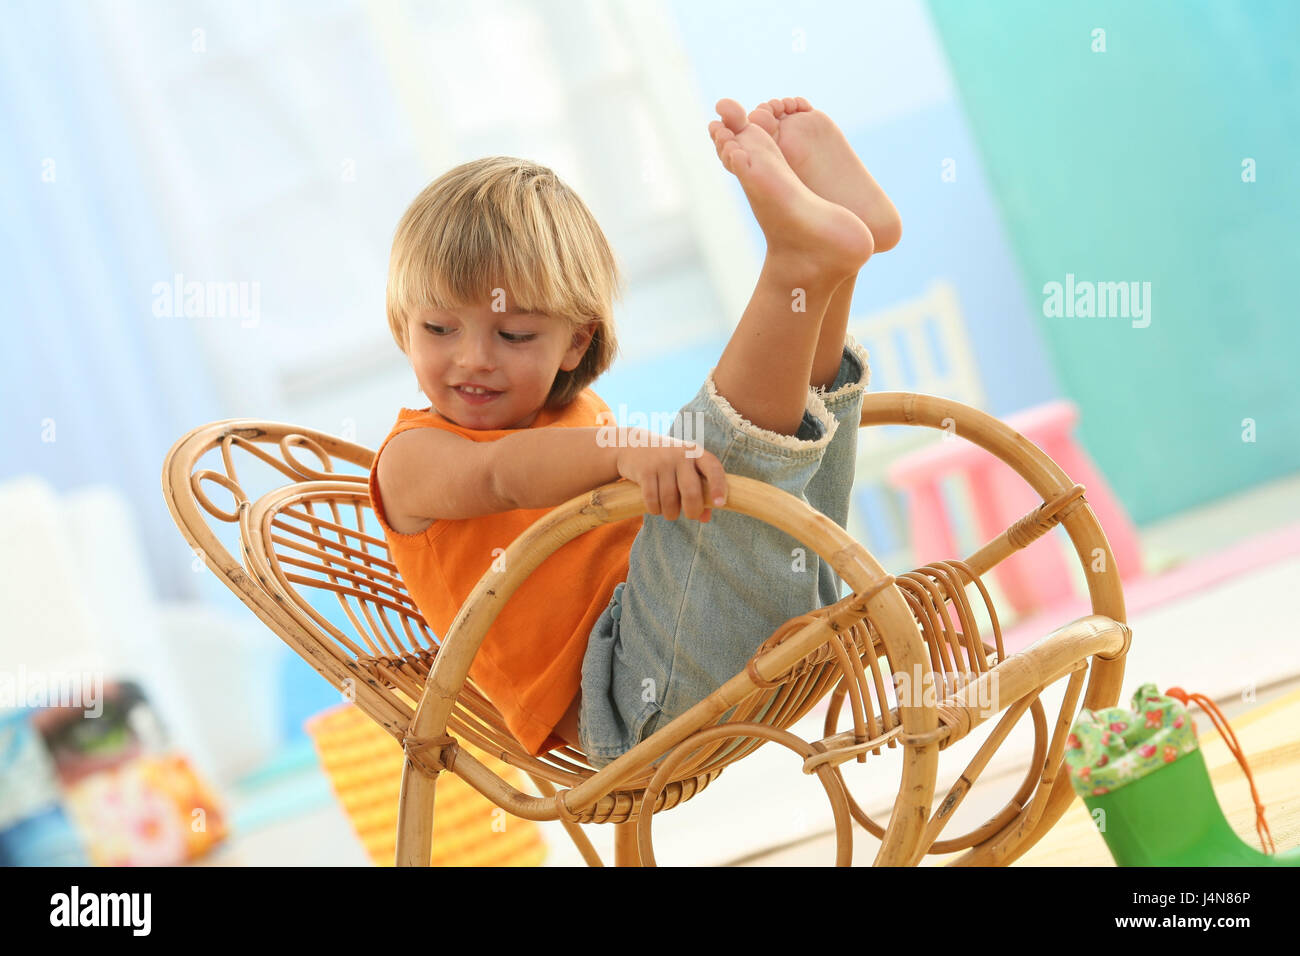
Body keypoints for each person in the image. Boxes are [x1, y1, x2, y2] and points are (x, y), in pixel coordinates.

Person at [368, 96, 901, 768]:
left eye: (515, 335)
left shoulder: (576, 414)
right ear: (403, 327)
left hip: (773, 605)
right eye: (439, 328)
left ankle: (832, 268)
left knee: (767, 477)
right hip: (629, 695)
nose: (473, 358)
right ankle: (801, 265)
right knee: (709, 464)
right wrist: (625, 449)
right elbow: (499, 474)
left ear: (575, 342)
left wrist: (638, 455)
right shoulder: (410, 460)